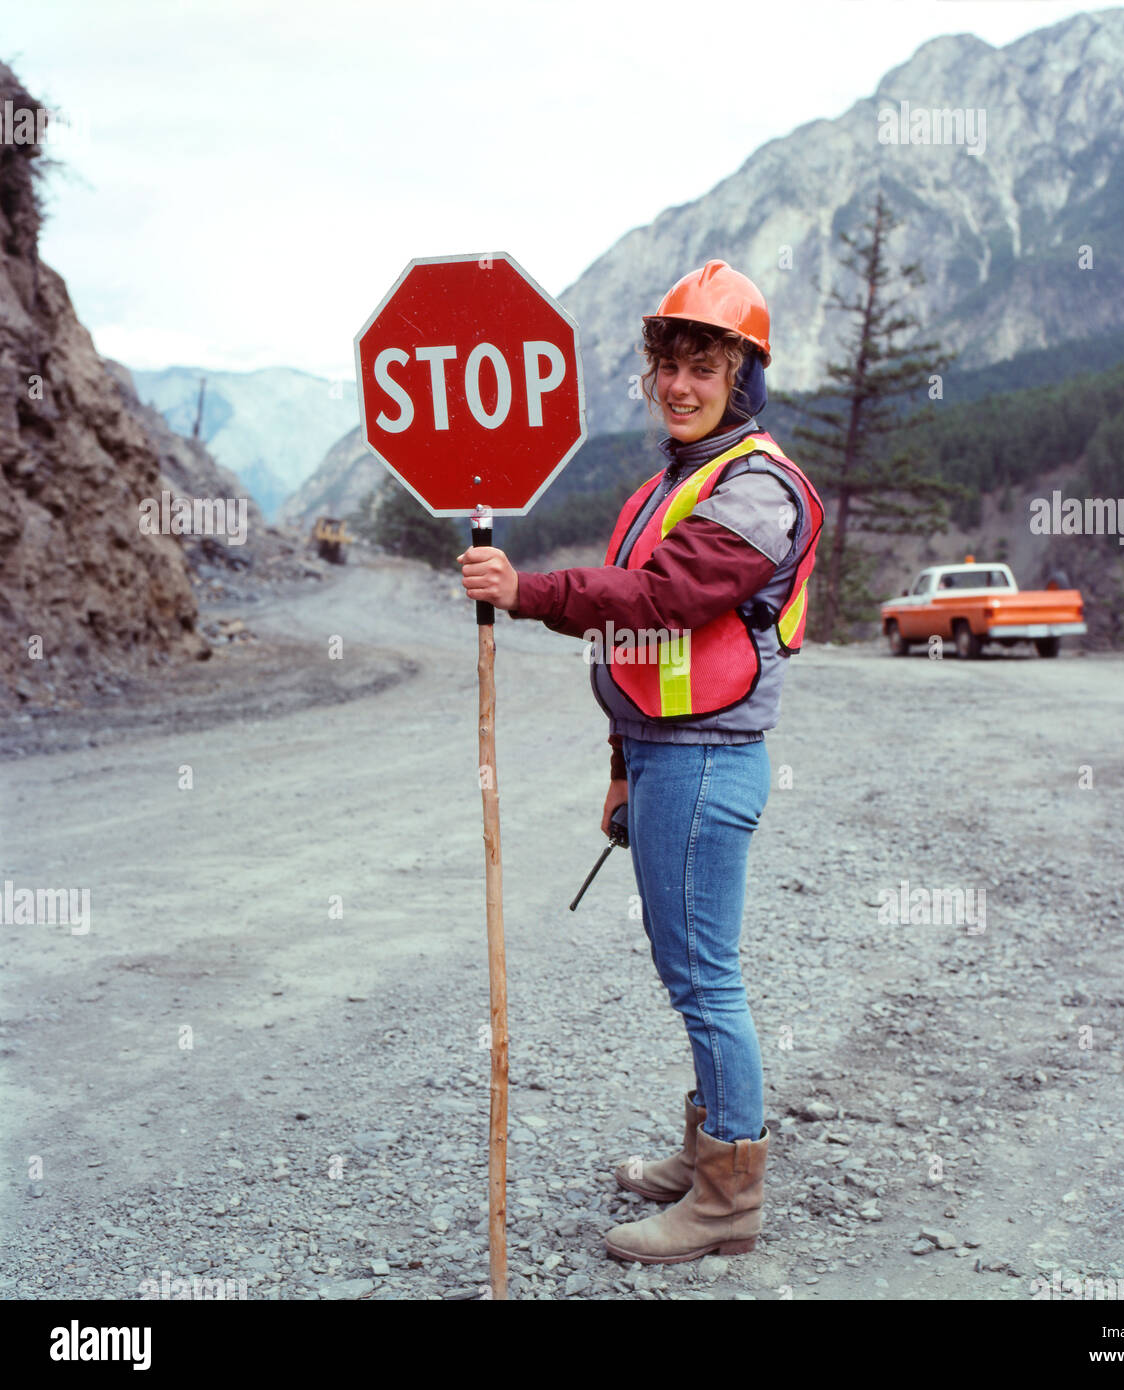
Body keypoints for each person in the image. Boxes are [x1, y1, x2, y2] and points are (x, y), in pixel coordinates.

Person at [457, 259, 824, 1265]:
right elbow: (639, 645)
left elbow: (661, 600)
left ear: (742, 376)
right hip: (666, 758)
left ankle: (726, 1198)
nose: (677, 383)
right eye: (667, 363)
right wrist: (621, 762)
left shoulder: (757, 492)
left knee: (704, 979)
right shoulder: (673, 480)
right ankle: (706, 1149)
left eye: (701, 365)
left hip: (708, 761)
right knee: (687, 970)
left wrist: (524, 591)